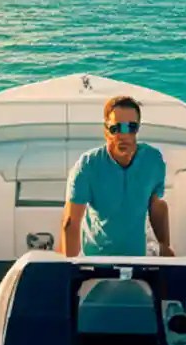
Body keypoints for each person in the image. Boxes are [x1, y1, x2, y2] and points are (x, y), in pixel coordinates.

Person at [61, 95, 174, 257]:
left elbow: (157, 207)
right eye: (116, 128)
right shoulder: (87, 166)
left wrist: (165, 249)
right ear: (106, 131)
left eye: (131, 127)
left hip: (139, 256)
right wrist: (71, 269)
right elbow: (70, 223)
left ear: (138, 129)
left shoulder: (153, 160)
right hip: (97, 260)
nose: (124, 135)